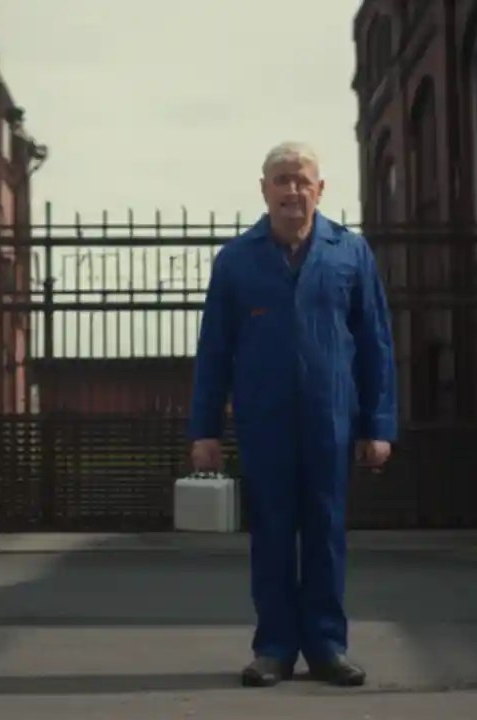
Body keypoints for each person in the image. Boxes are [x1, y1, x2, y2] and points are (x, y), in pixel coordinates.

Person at [188, 142, 398, 688]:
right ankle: (274, 648)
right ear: (264, 190)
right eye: (281, 180)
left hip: (332, 420)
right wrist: (205, 429)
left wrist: (378, 425)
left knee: (326, 531)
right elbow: (213, 351)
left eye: (302, 180)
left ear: (320, 190)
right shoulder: (236, 260)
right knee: (273, 533)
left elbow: (375, 343)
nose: (292, 191)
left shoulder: (350, 252)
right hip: (264, 421)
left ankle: (328, 646)